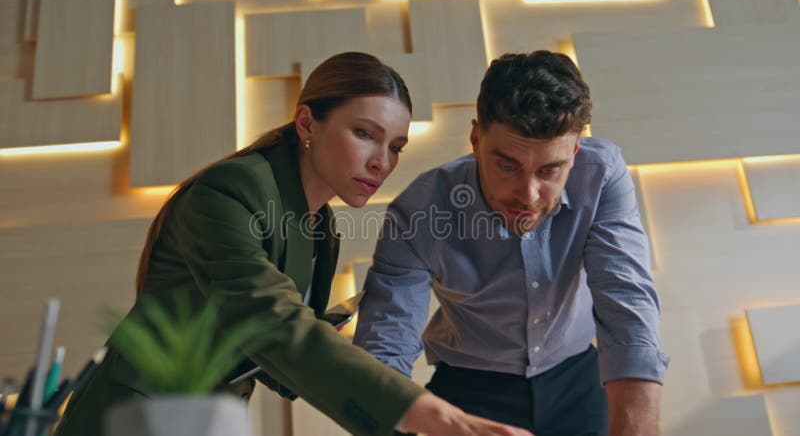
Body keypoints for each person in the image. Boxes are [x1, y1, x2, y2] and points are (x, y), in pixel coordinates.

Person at [54, 52, 533, 436]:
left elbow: (274, 355)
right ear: (307, 123)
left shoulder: (323, 226)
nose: (381, 162)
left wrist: (337, 338)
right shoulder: (231, 191)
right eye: (364, 134)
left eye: (395, 147)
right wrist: (429, 412)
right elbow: (271, 322)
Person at [353, 50, 670, 436]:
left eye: (549, 170)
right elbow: (385, 348)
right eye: (507, 165)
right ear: (476, 139)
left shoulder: (601, 175)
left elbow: (627, 304)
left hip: (577, 379)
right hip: (469, 387)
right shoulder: (419, 210)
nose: (528, 194)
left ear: (574, 151)